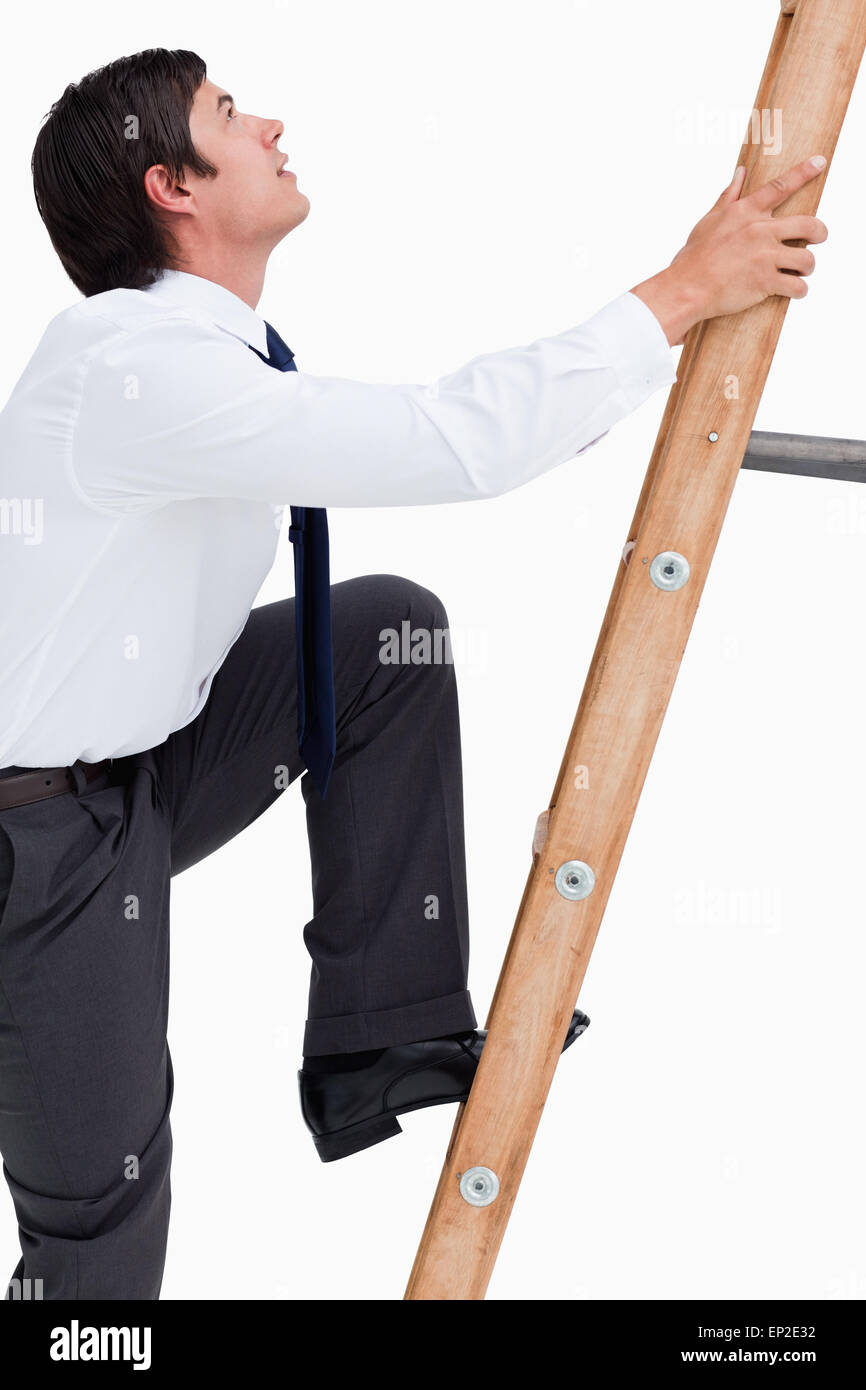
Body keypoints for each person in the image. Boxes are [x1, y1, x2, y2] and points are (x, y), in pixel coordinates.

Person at [0, 47, 828, 1300]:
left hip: (141, 769)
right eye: (231, 113)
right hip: (37, 835)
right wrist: (670, 295)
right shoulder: (131, 365)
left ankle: (378, 1037)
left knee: (384, 637)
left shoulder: (214, 351)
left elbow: (456, 442)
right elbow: (451, 442)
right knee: (100, 1217)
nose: (270, 120)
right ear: (172, 183)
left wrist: (666, 319)